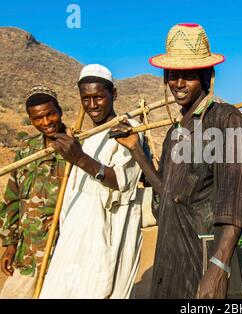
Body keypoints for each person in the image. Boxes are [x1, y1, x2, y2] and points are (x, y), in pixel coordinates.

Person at [113, 23, 242, 298]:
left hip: (203, 259)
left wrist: (218, 267)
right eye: (173, 74)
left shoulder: (225, 119)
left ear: (207, 76)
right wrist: (135, 149)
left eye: (188, 75)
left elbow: (238, 197)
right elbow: (166, 192)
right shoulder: (175, 133)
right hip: (170, 255)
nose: (178, 83)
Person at [39, 64, 144, 298]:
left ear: (113, 95)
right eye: (86, 99)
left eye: (98, 97)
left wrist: (80, 158)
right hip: (75, 237)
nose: (92, 105)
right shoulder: (86, 137)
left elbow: (121, 181)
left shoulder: (128, 129)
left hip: (107, 236)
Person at [0, 86, 67, 298]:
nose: (46, 122)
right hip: (27, 255)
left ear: (60, 110)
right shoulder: (26, 151)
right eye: (38, 118)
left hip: (64, 254)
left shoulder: (77, 146)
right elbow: (12, 200)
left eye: (50, 114)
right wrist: (9, 243)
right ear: (31, 120)